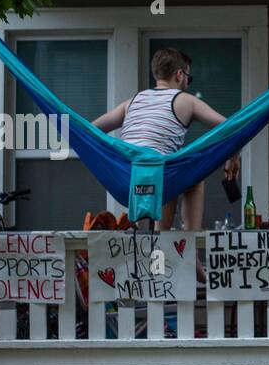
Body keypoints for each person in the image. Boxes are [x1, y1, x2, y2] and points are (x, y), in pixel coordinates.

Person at [91, 47, 235, 231]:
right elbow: (232, 128)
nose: (188, 84)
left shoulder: (132, 102)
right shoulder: (185, 100)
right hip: (159, 174)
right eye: (188, 79)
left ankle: (159, 240)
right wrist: (233, 158)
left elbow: (91, 130)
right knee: (190, 177)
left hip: (128, 174)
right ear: (179, 75)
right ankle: (188, 245)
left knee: (170, 168)